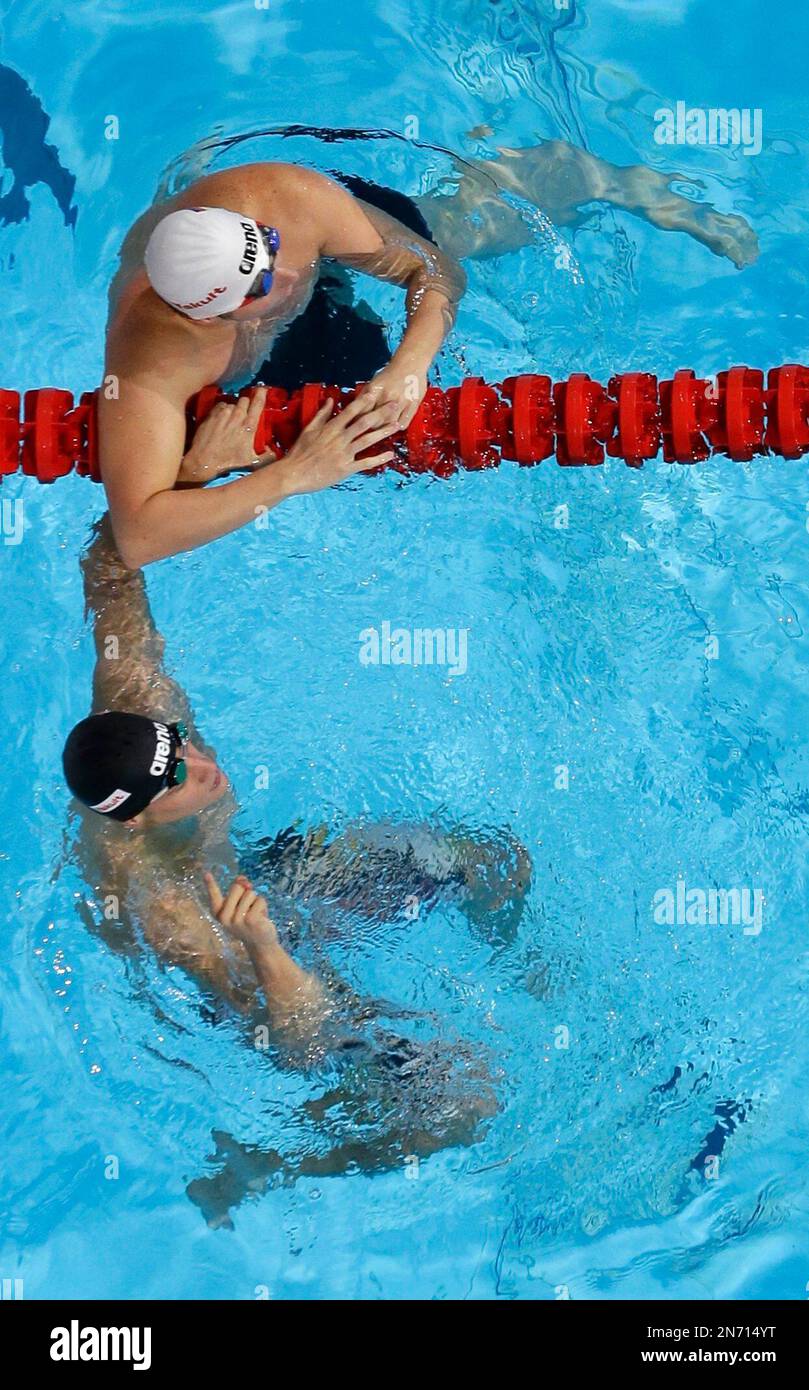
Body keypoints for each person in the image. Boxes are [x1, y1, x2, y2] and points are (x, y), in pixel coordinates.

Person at [61, 511, 531, 1222]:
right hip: (252, 963)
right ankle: (274, 1166)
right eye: (177, 780)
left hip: (264, 882)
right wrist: (266, 948)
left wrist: (202, 463)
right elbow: (297, 1041)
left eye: (182, 744)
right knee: (463, 1104)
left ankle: (525, 963)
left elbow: (113, 557)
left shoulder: (137, 705)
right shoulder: (160, 905)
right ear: (132, 818)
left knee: (491, 859)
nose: (203, 768)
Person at [101, 138, 758, 568]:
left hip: (328, 229)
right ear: (211, 313)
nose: (289, 270)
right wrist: (287, 475)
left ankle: (594, 179)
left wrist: (412, 365)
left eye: (269, 250)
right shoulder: (153, 359)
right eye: (266, 282)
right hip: (263, 353)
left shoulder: (288, 207)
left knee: (459, 229)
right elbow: (137, 535)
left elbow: (436, 273)